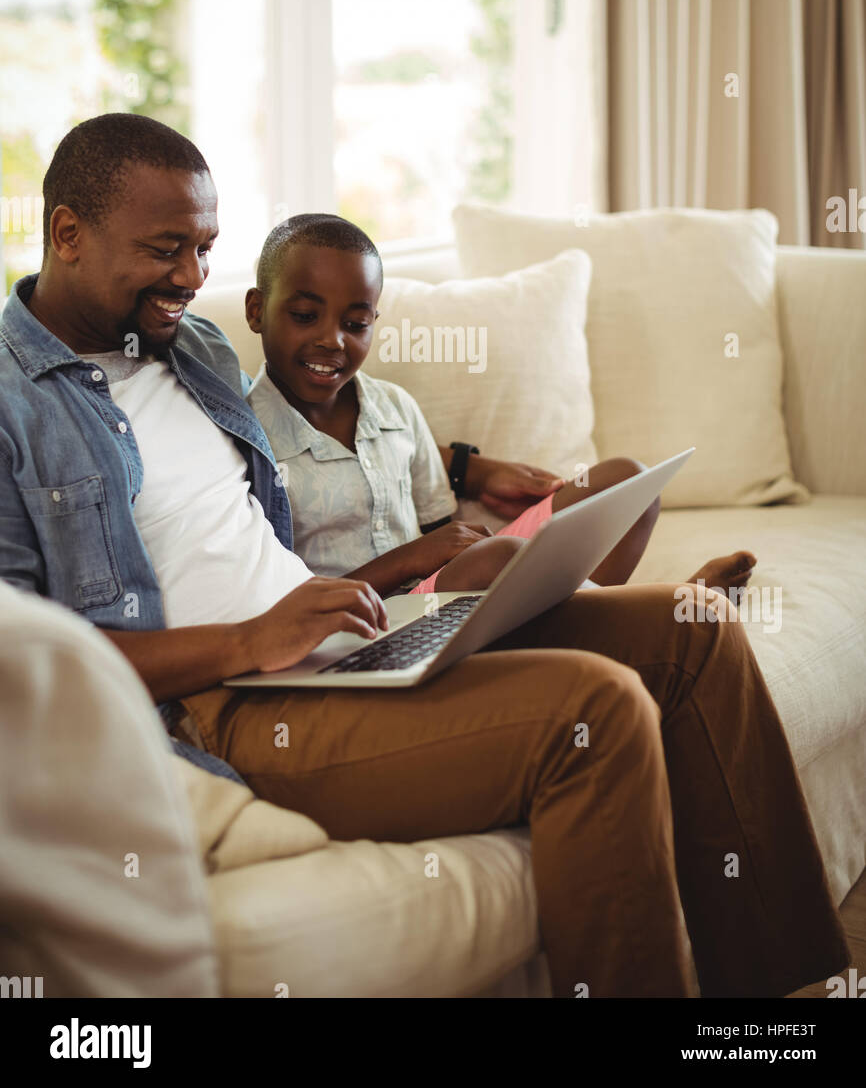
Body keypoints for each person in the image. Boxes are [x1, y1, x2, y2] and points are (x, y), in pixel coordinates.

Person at [0, 113, 849, 999]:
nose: (191, 278)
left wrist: (463, 472)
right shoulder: (12, 409)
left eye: (205, 249)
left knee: (692, 628)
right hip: (234, 706)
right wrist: (253, 641)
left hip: (344, 643)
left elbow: (334, 428)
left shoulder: (196, 350)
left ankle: (774, 1014)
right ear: (67, 232)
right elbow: (32, 670)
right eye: (166, 249)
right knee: (591, 710)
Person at [244, 213, 757, 599]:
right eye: (306, 315)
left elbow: (437, 525)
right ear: (256, 310)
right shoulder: (246, 439)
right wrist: (410, 561)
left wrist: (459, 525)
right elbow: (282, 604)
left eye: (356, 324)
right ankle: (659, 611)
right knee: (498, 563)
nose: (332, 341)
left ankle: (615, 616)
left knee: (627, 483)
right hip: (368, 616)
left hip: (449, 588)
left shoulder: (395, 409)